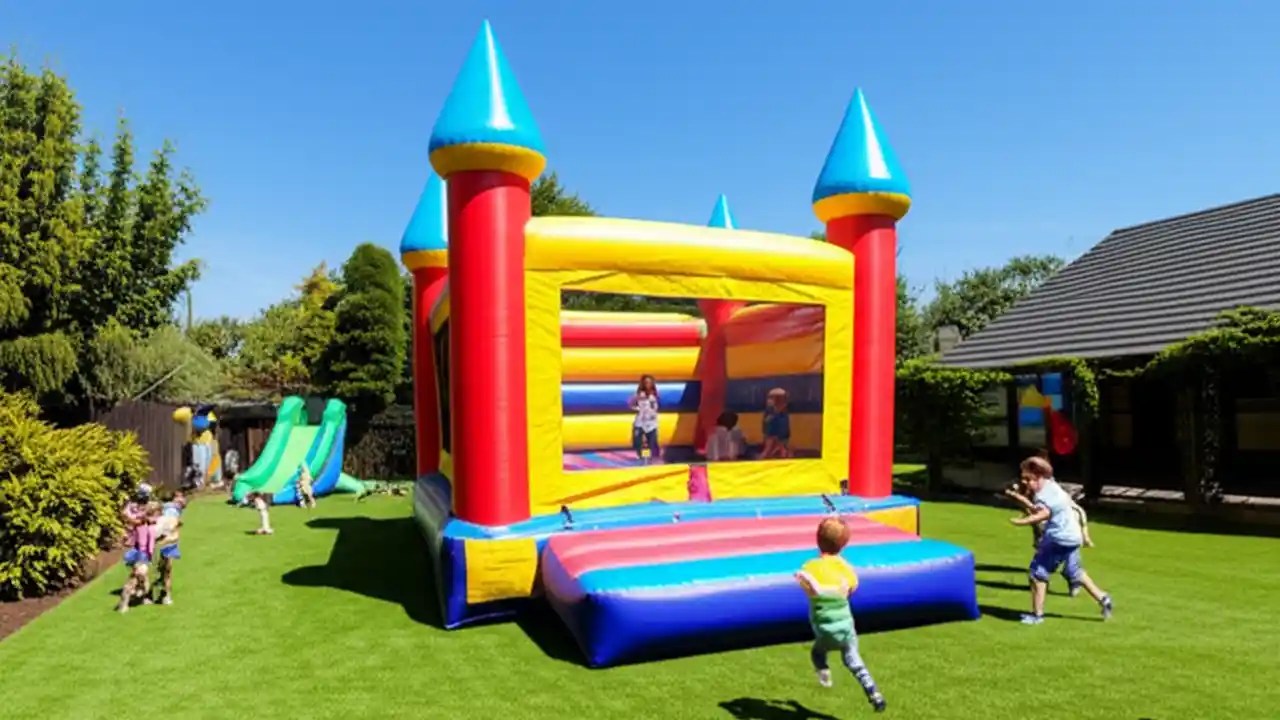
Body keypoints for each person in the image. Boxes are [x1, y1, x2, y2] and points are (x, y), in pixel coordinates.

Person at [795, 518, 886, 713]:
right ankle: (873, 691)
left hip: (824, 630)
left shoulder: (810, 567)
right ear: (844, 544)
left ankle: (824, 673)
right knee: (853, 659)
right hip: (846, 629)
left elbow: (806, 585)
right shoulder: (846, 570)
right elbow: (853, 586)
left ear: (817, 539)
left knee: (817, 653)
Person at [1010, 456, 1113, 624]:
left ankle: (1037, 616)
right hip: (1073, 537)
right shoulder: (1052, 485)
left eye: (1028, 479)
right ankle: (1104, 599)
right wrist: (1019, 498)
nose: (1025, 482)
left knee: (1037, 573)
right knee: (1075, 572)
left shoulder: (1044, 496)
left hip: (1059, 538)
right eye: (1023, 478)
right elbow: (1039, 508)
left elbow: (1043, 514)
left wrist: (1020, 522)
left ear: (1040, 476)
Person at [1005, 472, 1094, 597]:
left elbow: (1078, 512)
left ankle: (1077, 584)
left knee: (1067, 564)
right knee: (1046, 560)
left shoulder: (1051, 494)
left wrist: (1085, 534)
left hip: (1063, 531)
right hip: (1047, 529)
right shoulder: (1032, 492)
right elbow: (1031, 510)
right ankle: (1042, 582)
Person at [117, 499, 161, 613]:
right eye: (157, 514)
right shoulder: (142, 522)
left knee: (143, 579)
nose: (158, 517)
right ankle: (125, 601)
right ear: (153, 513)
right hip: (141, 554)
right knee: (137, 578)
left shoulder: (147, 522)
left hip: (142, 553)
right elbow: (129, 518)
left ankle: (142, 598)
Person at [153, 491, 186, 606]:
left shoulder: (162, 512)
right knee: (166, 573)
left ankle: (160, 594)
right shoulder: (174, 511)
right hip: (170, 543)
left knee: (162, 571)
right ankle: (166, 596)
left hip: (163, 543)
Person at [627, 374, 661, 465]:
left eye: (650, 382)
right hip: (640, 422)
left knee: (651, 443)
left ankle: (649, 460)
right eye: (646, 382)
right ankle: (641, 457)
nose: (648, 384)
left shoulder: (655, 394)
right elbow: (630, 403)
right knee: (637, 441)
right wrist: (636, 407)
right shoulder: (638, 394)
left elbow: (655, 406)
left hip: (651, 423)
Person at [761, 388, 792, 459]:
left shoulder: (774, 410)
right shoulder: (781, 410)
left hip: (774, 433)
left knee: (771, 450)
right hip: (778, 433)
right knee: (779, 449)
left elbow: (767, 421)